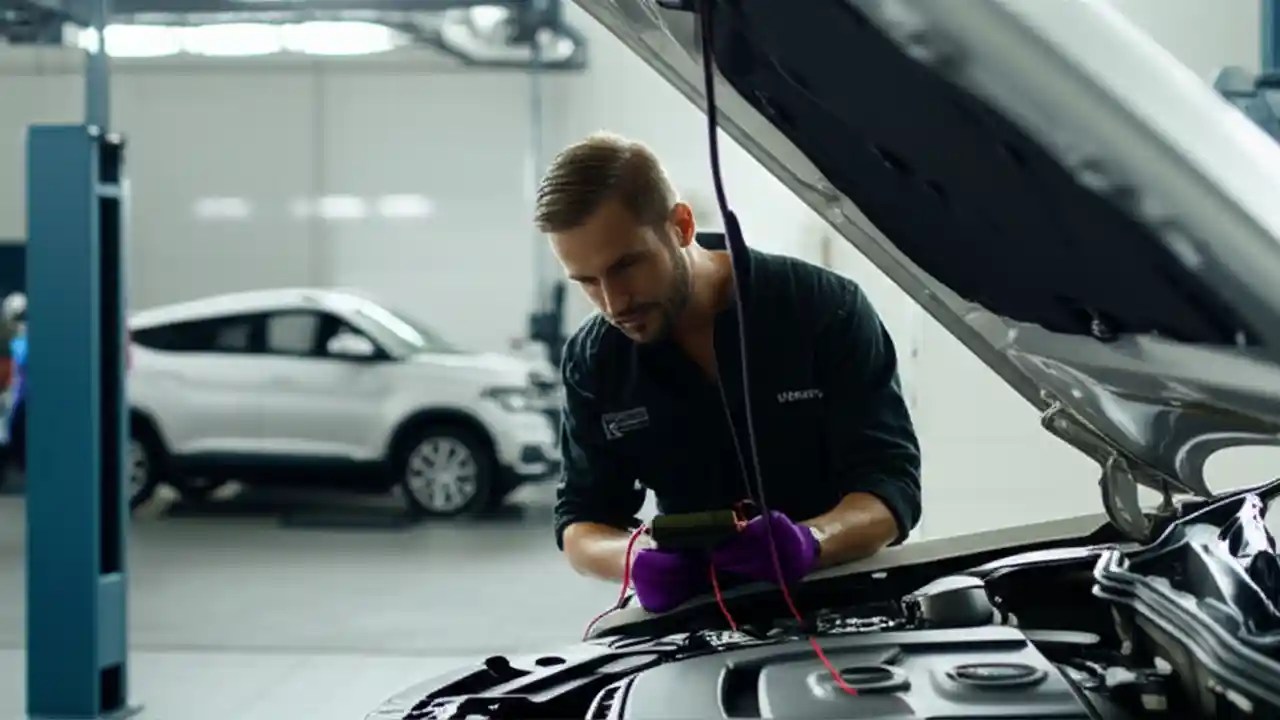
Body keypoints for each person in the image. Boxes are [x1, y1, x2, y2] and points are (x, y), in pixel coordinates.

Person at [537, 133, 922, 613]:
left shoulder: (823, 309)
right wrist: (633, 559)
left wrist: (812, 541)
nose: (614, 303)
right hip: (699, 618)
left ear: (681, 226)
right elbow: (581, 520)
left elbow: (892, 486)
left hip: (848, 604)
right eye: (588, 282)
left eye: (627, 266)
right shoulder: (594, 360)